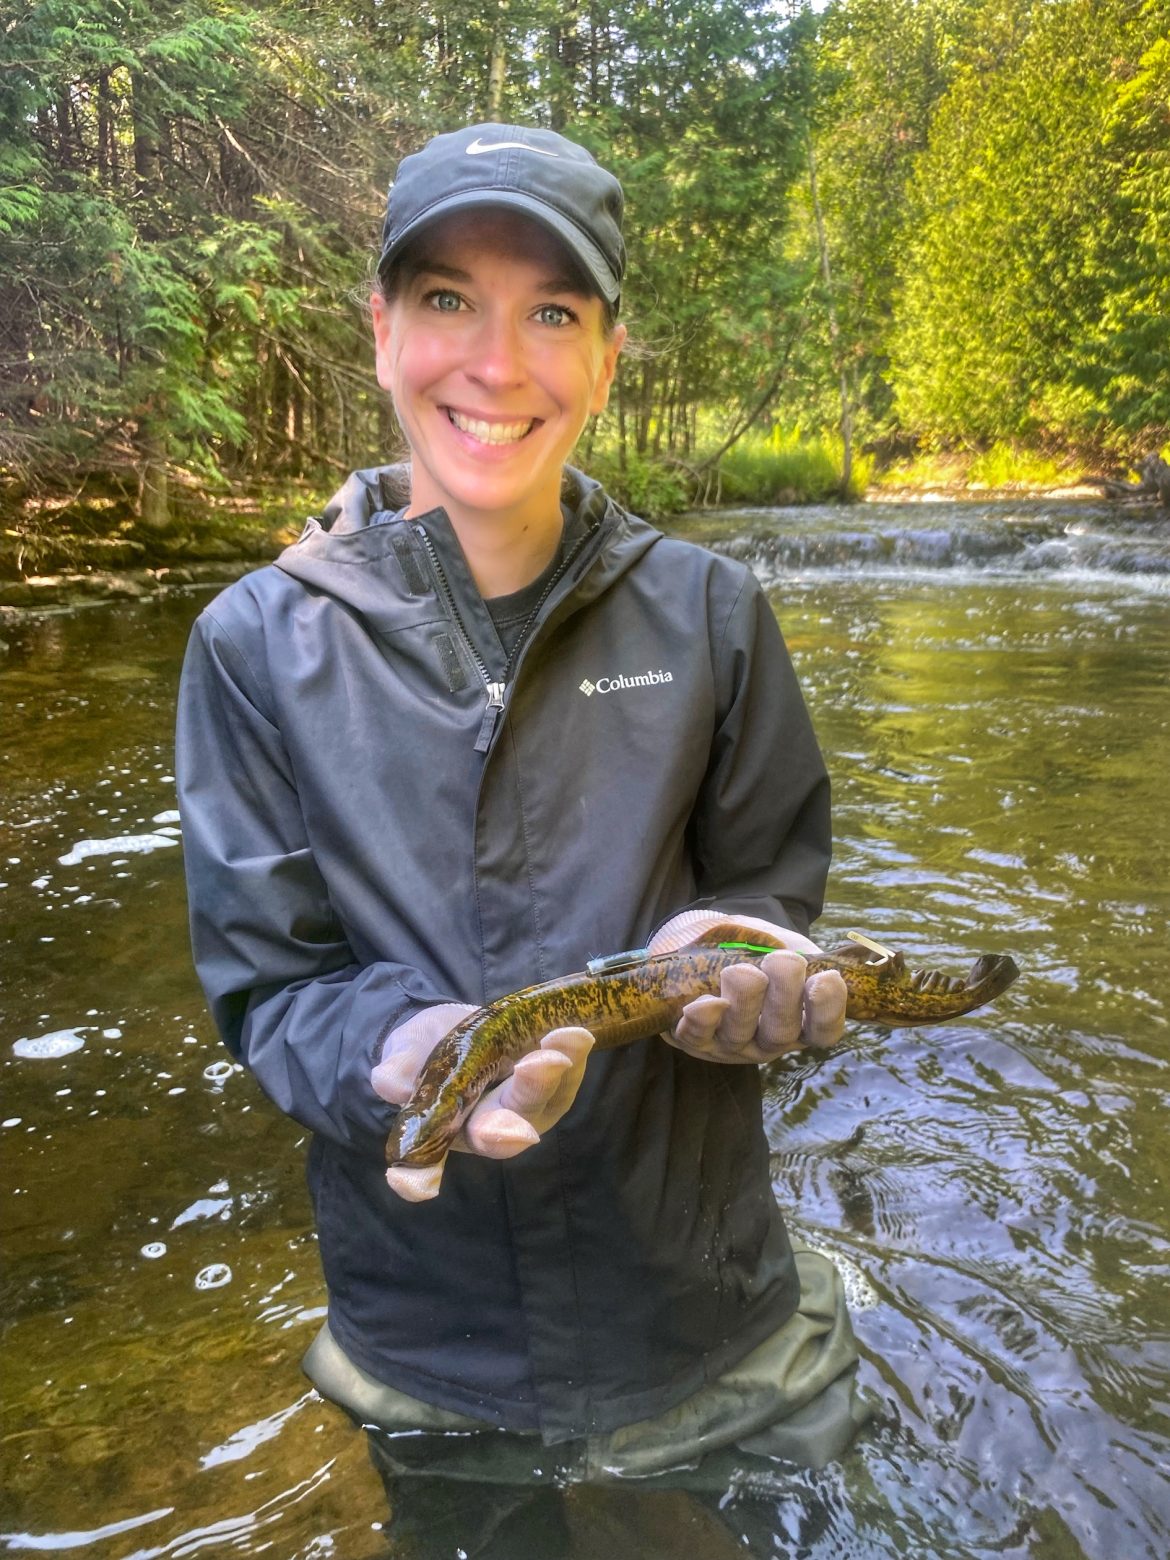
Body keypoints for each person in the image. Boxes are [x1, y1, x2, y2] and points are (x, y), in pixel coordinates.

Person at [176, 123, 868, 1555]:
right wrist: (407, 1048)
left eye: (551, 310)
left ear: (607, 357)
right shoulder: (250, 646)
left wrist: (738, 962)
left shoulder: (714, 615)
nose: (497, 364)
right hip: (428, 1353)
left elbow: (767, 887)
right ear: (378, 333)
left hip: (714, 1326)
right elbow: (269, 986)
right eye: (448, 301)